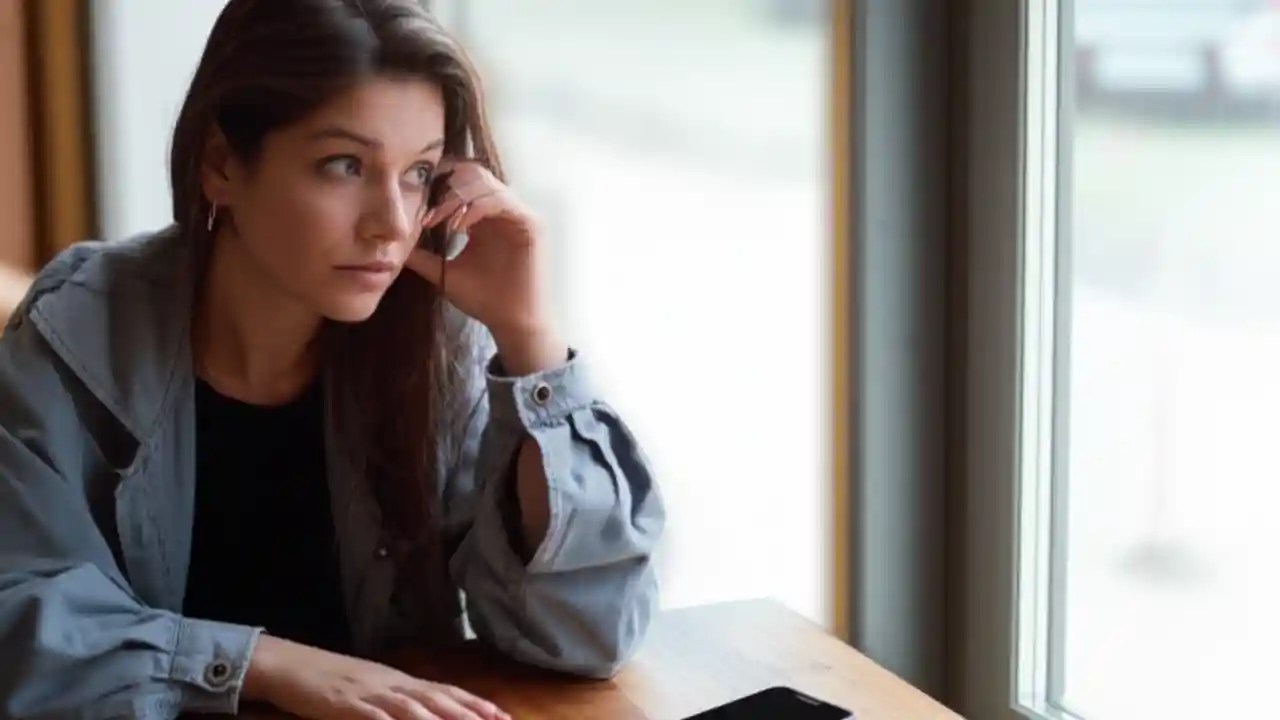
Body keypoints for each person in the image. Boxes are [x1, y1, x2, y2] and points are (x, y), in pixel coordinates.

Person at [0, 1, 664, 718]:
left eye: (419, 174)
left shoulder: (439, 344)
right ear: (221, 164)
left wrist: (529, 337)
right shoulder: (85, 327)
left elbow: (587, 636)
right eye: (345, 165)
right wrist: (265, 663)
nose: (392, 223)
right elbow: (20, 622)